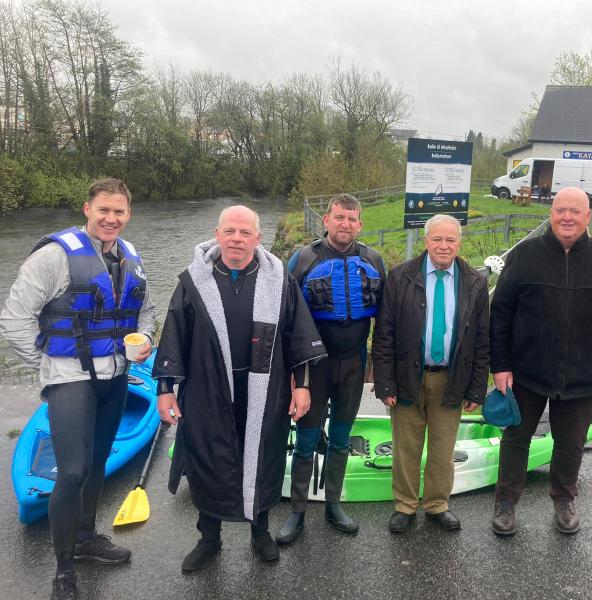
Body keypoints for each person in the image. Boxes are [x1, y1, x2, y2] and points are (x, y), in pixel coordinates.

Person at [0, 178, 155, 600]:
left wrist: (144, 342)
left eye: (119, 211)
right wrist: (47, 366)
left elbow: (147, 310)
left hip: (117, 375)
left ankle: (86, 539)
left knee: (98, 460)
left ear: (129, 214)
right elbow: (14, 319)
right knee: (71, 471)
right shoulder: (54, 257)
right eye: (104, 210)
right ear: (87, 209)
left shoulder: (130, 256)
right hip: (69, 378)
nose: (111, 218)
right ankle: (64, 569)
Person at [153, 205, 326, 573]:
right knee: (209, 460)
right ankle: (209, 538)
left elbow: (298, 336)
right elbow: (174, 338)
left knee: (262, 457)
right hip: (206, 387)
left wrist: (303, 387)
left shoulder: (278, 280)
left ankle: (259, 531)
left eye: (245, 232)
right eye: (230, 231)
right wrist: (166, 388)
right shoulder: (193, 282)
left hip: (264, 387)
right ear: (217, 234)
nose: (237, 238)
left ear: (257, 238)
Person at [490, 186, 592, 537]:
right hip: (526, 373)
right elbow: (500, 315)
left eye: (575, 211)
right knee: (515, 439)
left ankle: (564, 500)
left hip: (581, 376)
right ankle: (506, 503)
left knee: (570, 444)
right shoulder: (525, 256)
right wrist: (501, 365)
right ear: (551, 214)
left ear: (587, 217)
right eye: (560, 210)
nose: (566, 217)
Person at [277, 194, 385, 544]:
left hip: (354, 362)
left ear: (360, 224)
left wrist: (381, 368)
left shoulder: (373, 260)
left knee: (340, 439)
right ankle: (296, 511)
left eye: (352, 219)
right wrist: (293, 376)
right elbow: (286, 319)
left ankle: (333, 504)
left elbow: (387, 319)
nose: (345, 224)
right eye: (339, 217)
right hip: (315, 366)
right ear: (326, 220)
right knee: (307, 440)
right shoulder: (304, 259)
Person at [372, 214, 490, 533]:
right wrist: (384, 382)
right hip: (407, 375)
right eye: (437, 239)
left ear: (459, 243)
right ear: (426, 241)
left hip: (451, 379)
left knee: (442, 449)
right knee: (406, 446)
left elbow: (482, 340)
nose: (443, 245)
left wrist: (476, 389)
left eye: (450, 240)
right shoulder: (399, 277)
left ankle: (437, 504)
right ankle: (405, 506)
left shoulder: (475, 282)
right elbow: (384, 334)